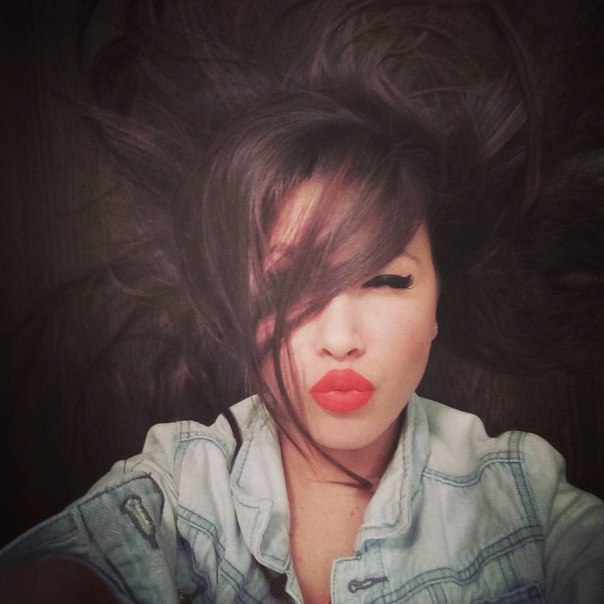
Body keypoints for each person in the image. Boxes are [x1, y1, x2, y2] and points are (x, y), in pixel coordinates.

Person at [1, 1, 603, 602]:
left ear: (440, 301)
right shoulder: (179, 486)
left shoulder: (525, 499)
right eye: (288, 285)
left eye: (387, 280)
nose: (340, 338)